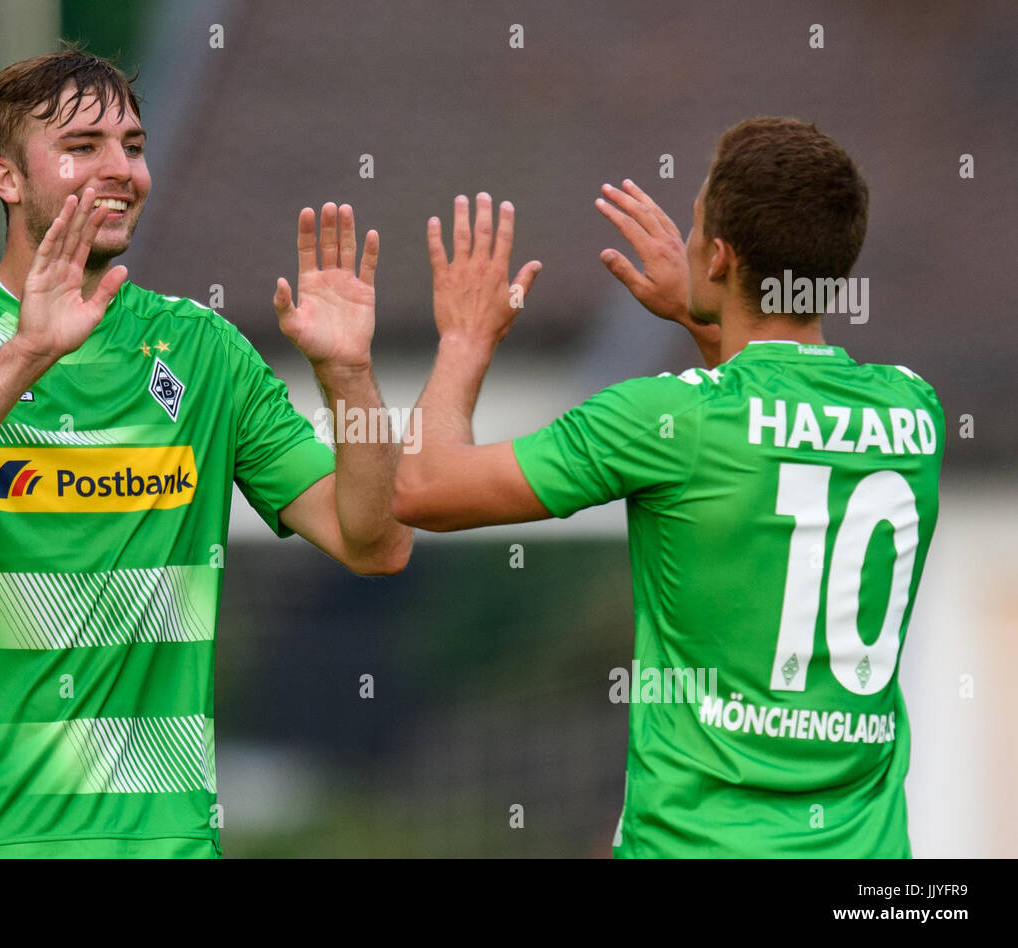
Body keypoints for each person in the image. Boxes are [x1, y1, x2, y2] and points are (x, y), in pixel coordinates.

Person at [0, 48, 410, 858]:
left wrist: (350, 375)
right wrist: (25, 355)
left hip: (158, 841)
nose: (123, 170)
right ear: (5, 179)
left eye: (134, 146)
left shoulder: (203, 348)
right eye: (83, 147)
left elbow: (376, 543)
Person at [393, 117, 943, 857]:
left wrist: (464, 338)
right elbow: (773, 417)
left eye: (692, 226)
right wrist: (699, 311)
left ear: (717, 256)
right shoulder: (916, 411)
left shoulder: (665, 419)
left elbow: (424, 487)